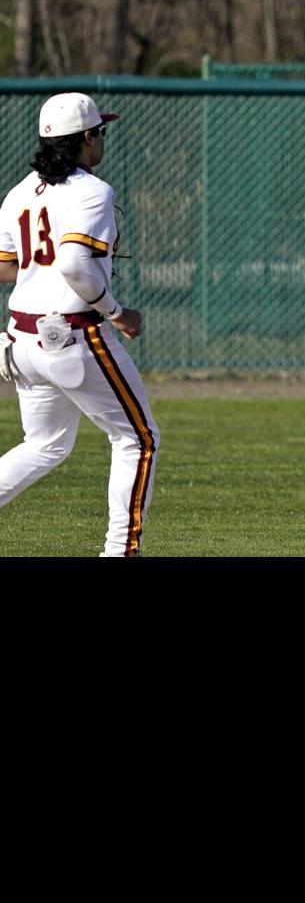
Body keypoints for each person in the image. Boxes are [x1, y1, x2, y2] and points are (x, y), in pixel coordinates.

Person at [0, 93, 158, 558]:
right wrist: (116, 312)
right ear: (88, 137)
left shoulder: (20, 192)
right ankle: (119, 552)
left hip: (20, 339)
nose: (102, 140)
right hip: (70, 336)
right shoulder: (93, 190)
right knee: (137, 439)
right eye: (100, 132)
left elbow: (5, 266)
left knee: (45, 444)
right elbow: (72, 263)